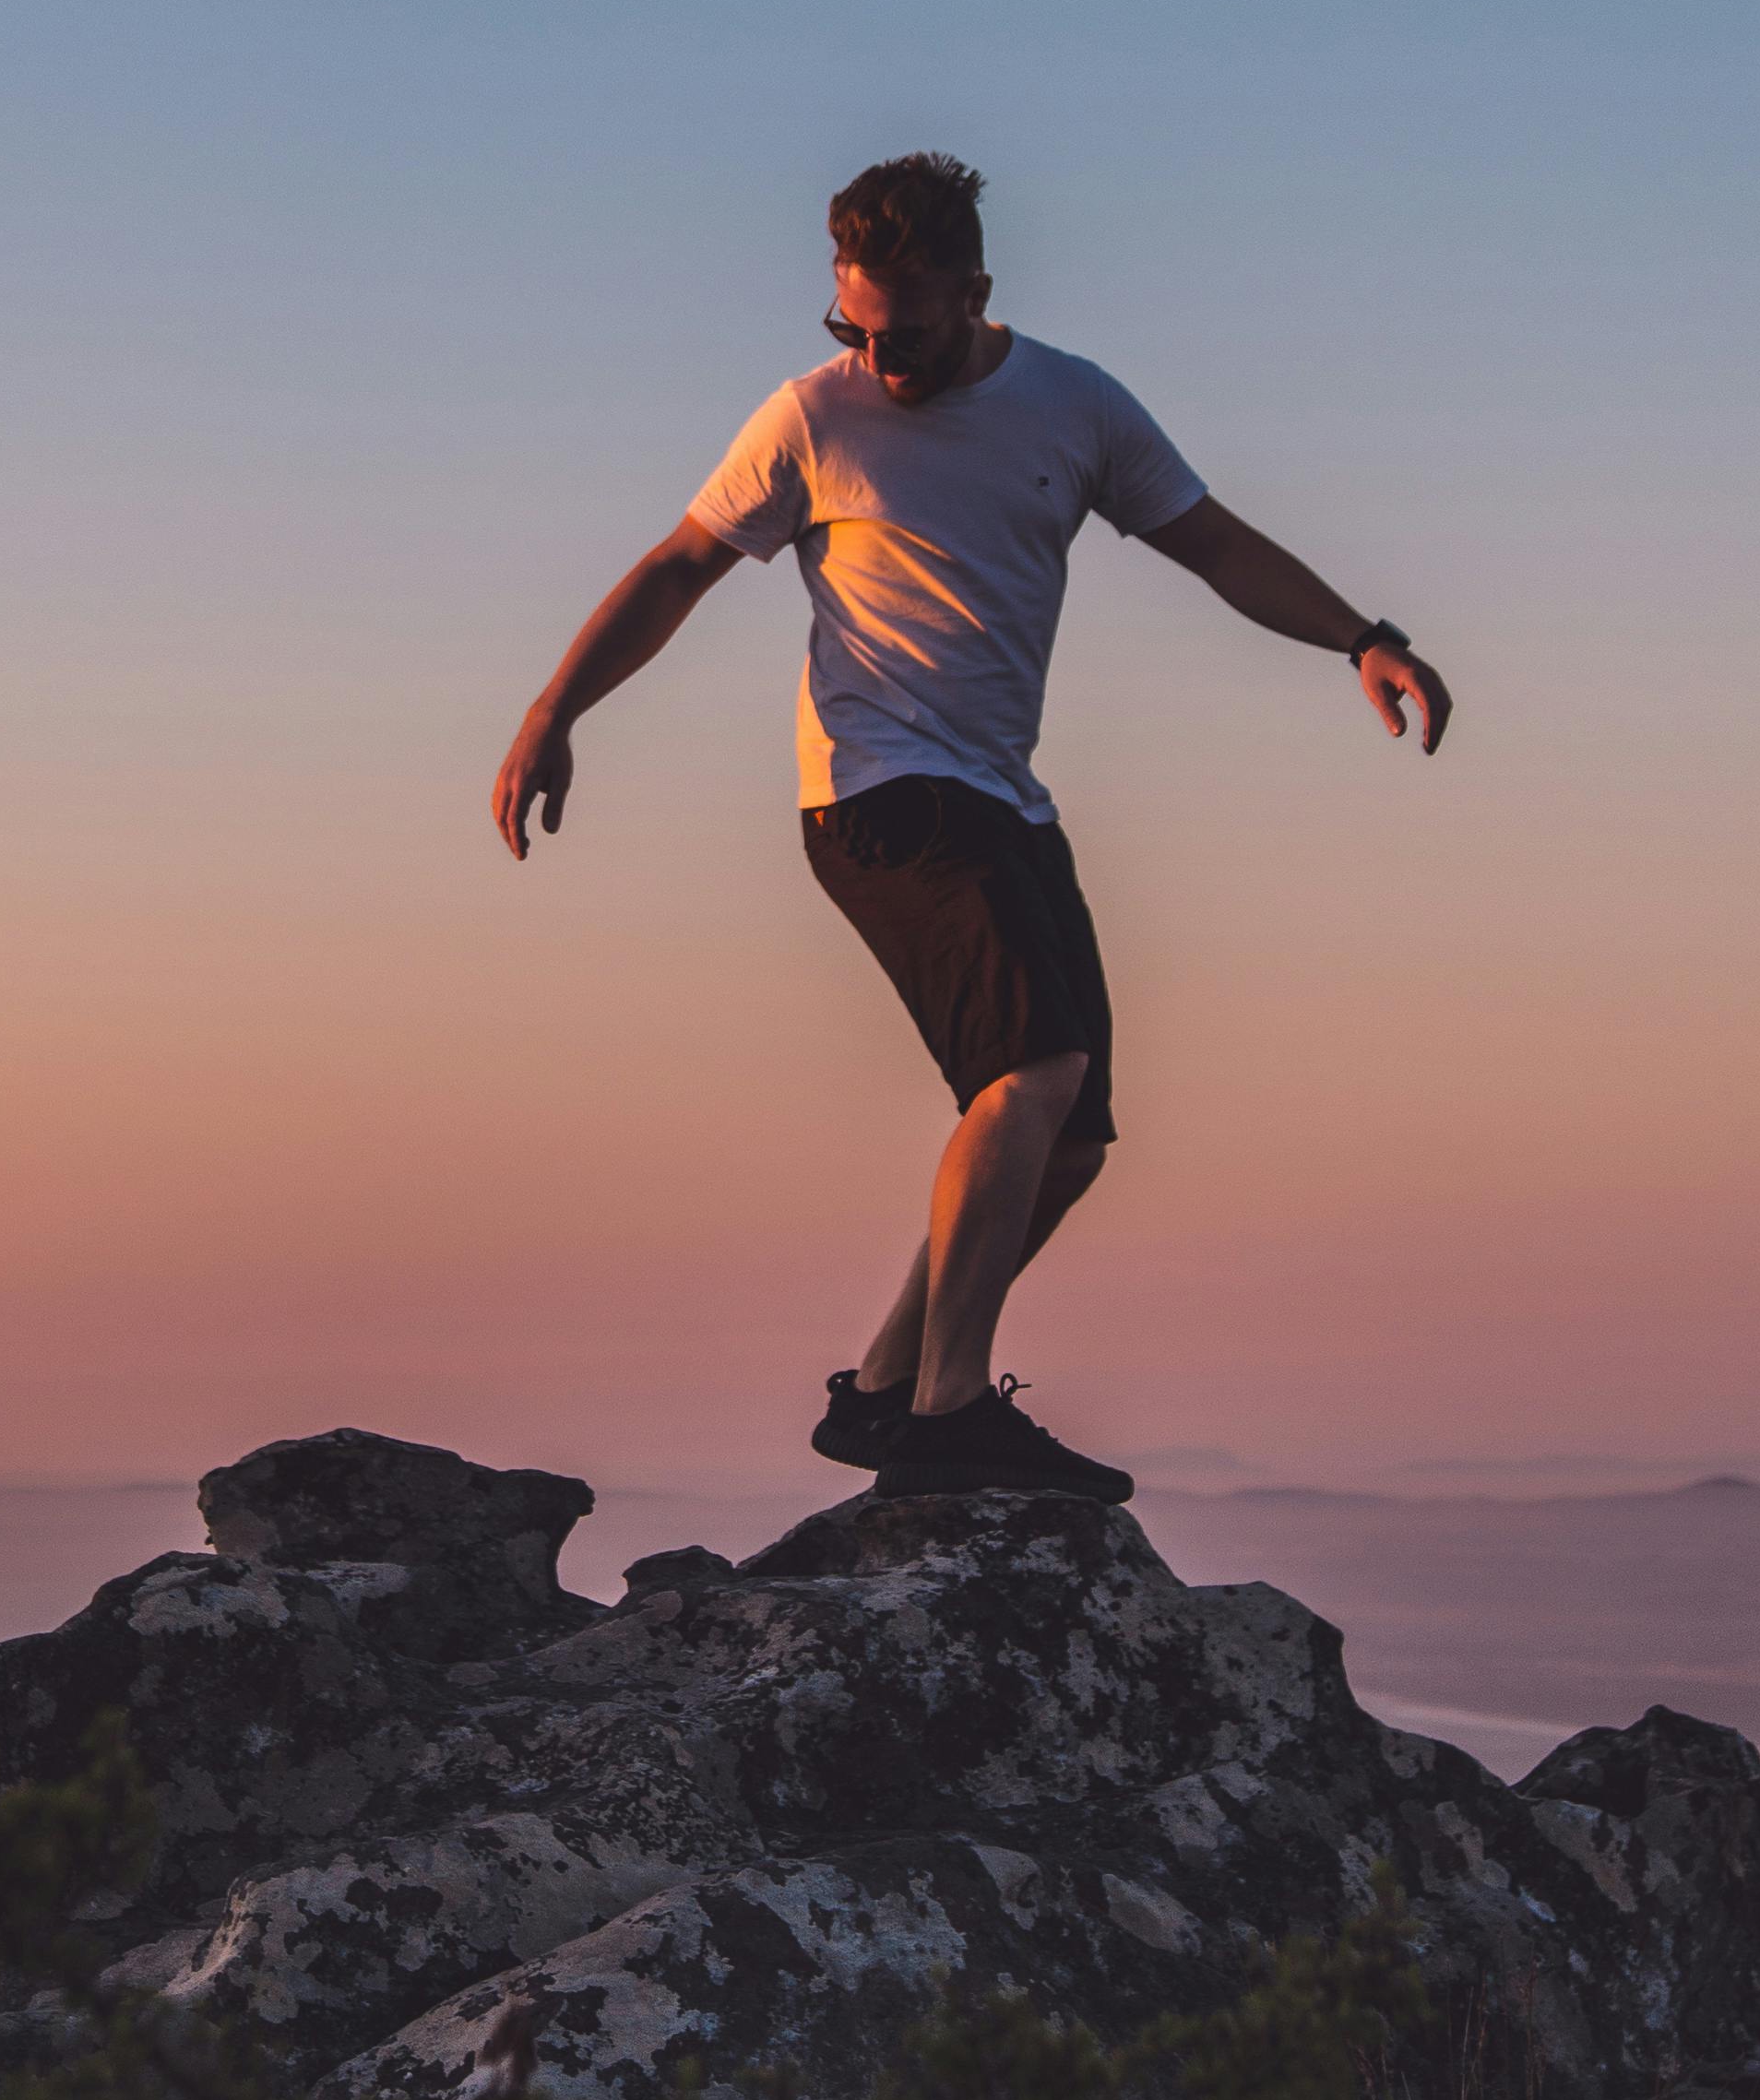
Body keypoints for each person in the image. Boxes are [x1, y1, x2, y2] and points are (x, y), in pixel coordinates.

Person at [490, 151, 1450, 1497]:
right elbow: (677, 568)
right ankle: (950, 1416)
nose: (881, 358)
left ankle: (885, 1389)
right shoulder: (812, 419)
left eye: (911, 329)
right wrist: (557, 710)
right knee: (1029, 1070)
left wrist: (1361, 635)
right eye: (855, 327)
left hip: (1004, 799)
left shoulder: (1073, 404)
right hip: (882, 795)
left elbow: (1215, 542)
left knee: (1071, 1137)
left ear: (976, 292)